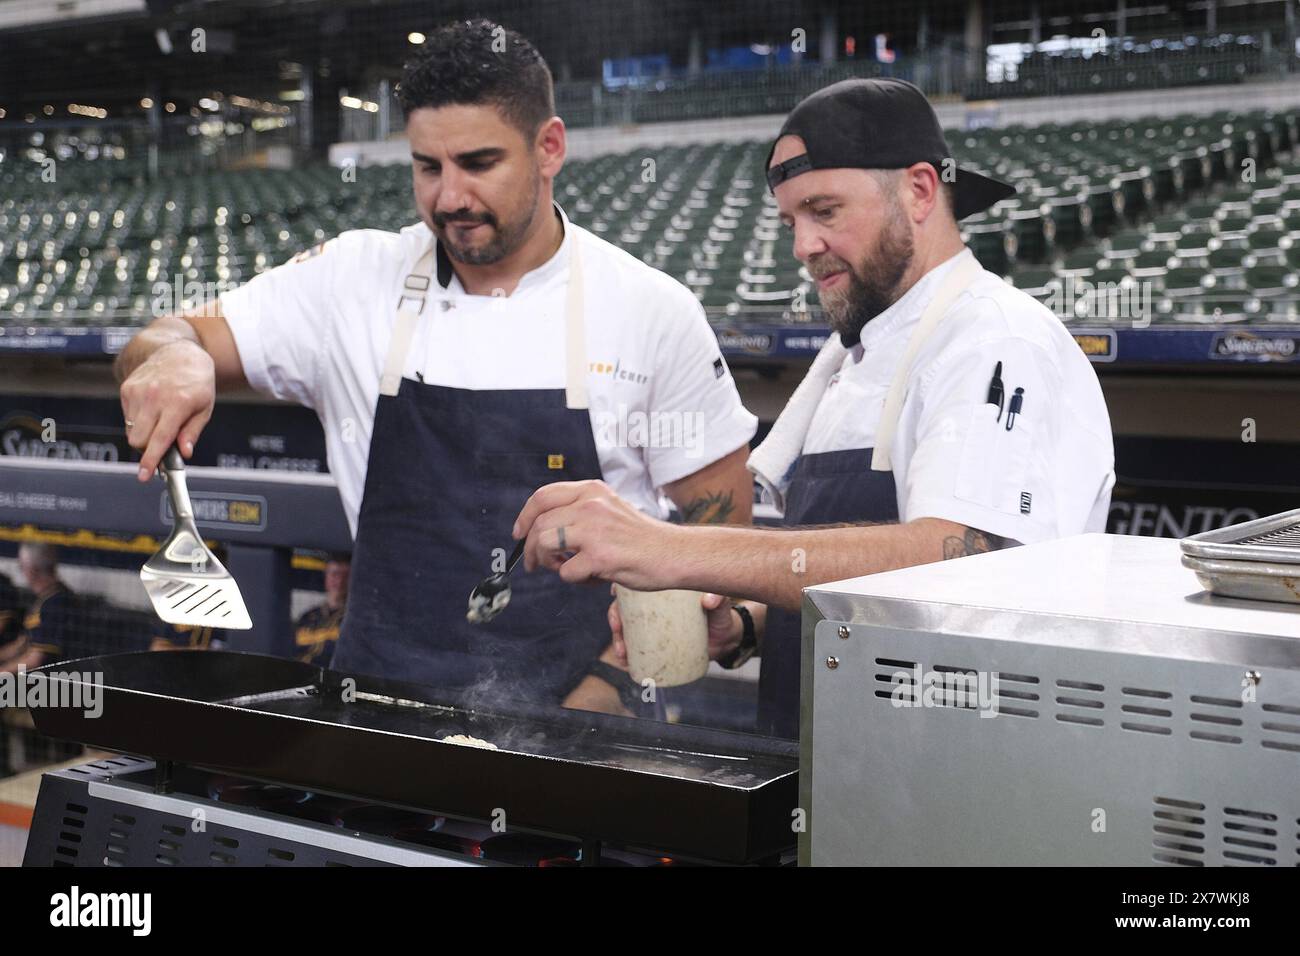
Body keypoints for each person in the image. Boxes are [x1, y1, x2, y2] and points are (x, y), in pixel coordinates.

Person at [114, 20, 756, 712]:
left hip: (587, 730)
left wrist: (614, 683)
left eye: (478, 163)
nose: (448, 198)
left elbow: (722, 541)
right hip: (378, 716)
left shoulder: (650, 310)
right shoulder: (352, 281)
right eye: (428, 167)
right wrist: (176, 352)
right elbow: (165, 334)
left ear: (549, 148)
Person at [513, 78, 1116, 738]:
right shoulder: (857, 351)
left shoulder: (994, 339)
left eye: (824, 210)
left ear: (919, 190)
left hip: (953, 777)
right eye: (790, 221)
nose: (802, 246)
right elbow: (855, 587)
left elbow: (964, 562)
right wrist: (745, 625)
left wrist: (673, 549)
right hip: (831, 772)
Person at [0, 543, 78, 672]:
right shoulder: (44, 599)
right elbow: (21, 644)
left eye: (21, 567)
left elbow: (35, 660)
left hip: (56, 682)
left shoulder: (57, 603)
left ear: (32, 569)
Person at [293, 553, 350, 668]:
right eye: (335, 574)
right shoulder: (308, 617)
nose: (339, 581)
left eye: (346, 576)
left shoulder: (353, 619)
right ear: (326, 576)